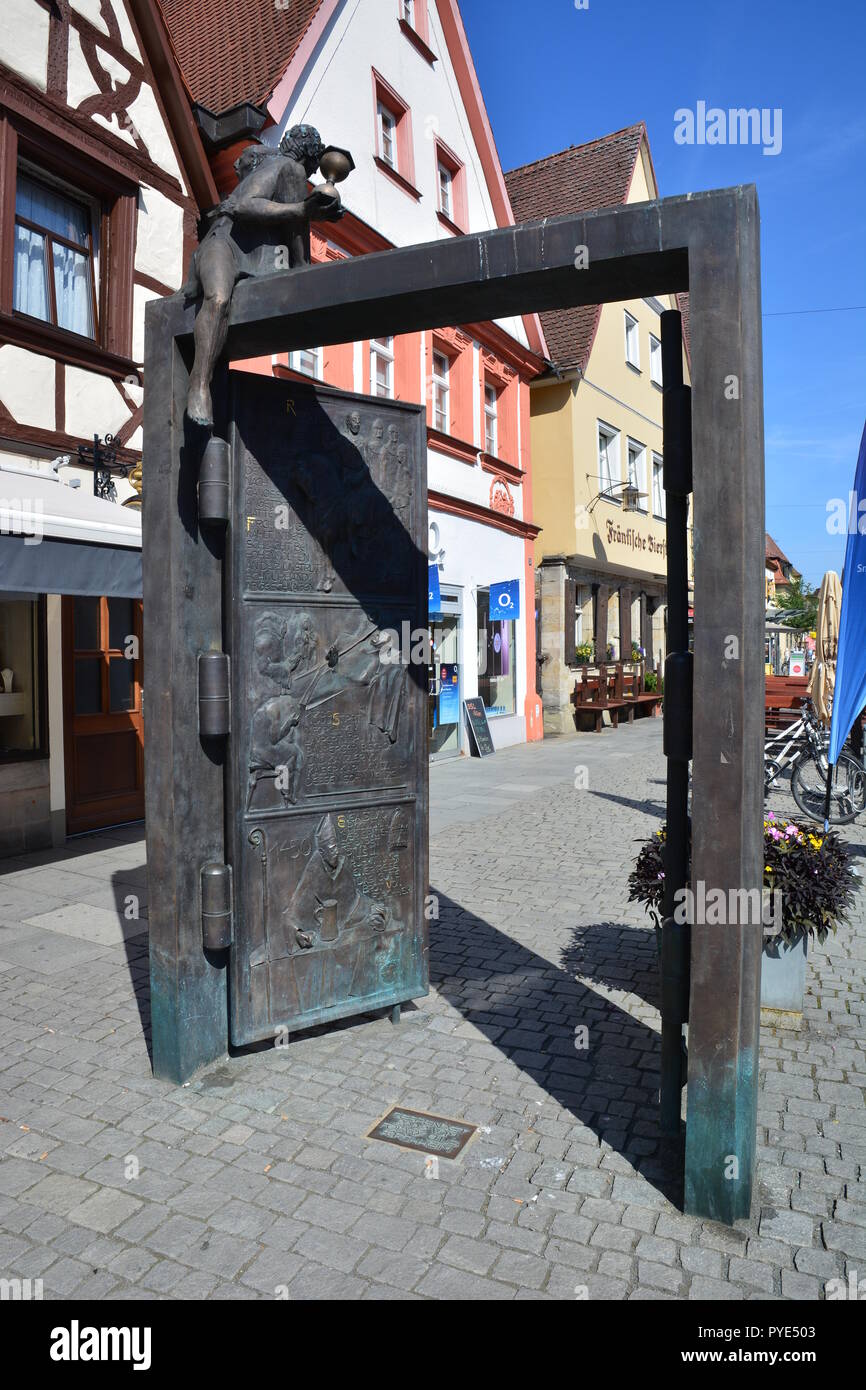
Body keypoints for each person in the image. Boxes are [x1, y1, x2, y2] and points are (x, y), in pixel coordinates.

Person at [183, 125, 344, 428]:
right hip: (222, 245)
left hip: (244, 255)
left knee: (221, 302)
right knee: (217, 298)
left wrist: (305, 217)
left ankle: (204, 384)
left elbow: (291, 229)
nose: (308, 175)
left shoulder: (264, 158)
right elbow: (247, 207)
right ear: (310, 159)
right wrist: (304, 212)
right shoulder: (290, 168)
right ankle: (199, 385)